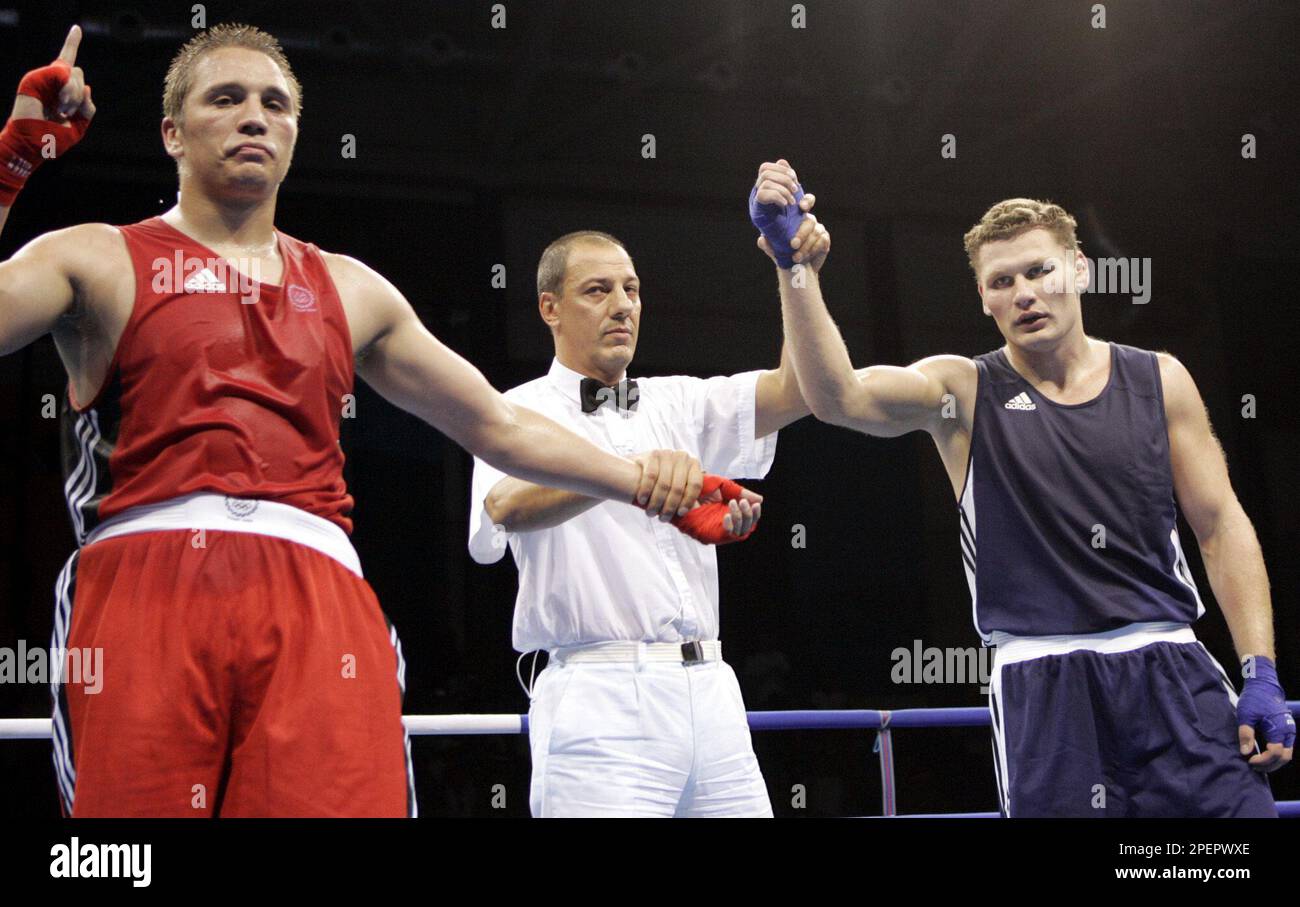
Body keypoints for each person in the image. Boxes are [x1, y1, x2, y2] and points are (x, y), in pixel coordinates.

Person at [0, 23, 714, 817]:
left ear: (297, 134)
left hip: (318, 592)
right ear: (171, 131)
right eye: (225, 98)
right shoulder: (94, 257)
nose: (253, 117)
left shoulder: (350, 288)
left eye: (274, 103)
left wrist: (649, 483)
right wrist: (12, 166)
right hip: (145, 581)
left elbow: (498, 427)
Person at [751, 163, 1294, 817]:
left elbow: (1220, 523)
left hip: (1175, 669)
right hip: (1045, 684)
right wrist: (794, 268)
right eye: (1002, 281)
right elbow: (838, 398)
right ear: (983, 297)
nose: (1024, 293)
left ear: (1081, 271)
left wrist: (1259, 669)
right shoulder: (962, 391)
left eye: (1039, 272)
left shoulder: (1159, 379)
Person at [467, 208, 826, 816]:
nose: (623, 305)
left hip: (711, 690)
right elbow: (503, 508)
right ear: (550, 308)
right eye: (597, 290)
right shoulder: (514, 411)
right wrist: (629, 471)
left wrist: (798, 272)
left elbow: (802, 390)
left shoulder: (681, 401)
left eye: (630, 289)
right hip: (598, 696)